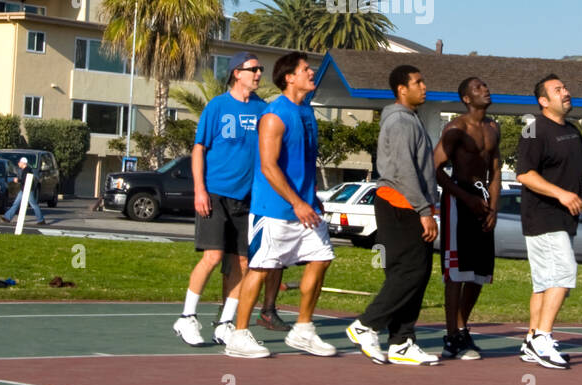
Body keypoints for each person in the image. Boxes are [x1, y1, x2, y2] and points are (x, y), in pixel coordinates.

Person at [224, 52, 336, 358]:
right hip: (273, 211)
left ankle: (303, 329)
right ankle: (239, 334)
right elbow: (269, 166)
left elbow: (303, 165)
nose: (312, 73)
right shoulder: (274, 115)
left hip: (303, 208)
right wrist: (298, 202)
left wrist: (310, 200)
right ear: (289, 77)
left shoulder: (307, 112)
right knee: (259, 270)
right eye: (305, 69)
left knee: (322, 258)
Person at [514, 74, 582, 370]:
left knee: (546, 283)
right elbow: (524, 174)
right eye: (557, 90)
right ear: (543, 101)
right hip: (543, 216)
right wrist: (561, 194)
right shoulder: (534, 130)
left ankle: (531, 338)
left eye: (565, 88)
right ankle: (543, 339)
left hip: (564, 218)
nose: (566, 92)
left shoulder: (571, 130)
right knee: (564, 273)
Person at [174, 52, 275, 346]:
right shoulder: (216, 107)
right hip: (215, 193)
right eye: (253, 69)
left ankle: (225, 323)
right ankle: (187, 318)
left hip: (248, 199)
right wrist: (200, 190)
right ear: (236, 73)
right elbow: (199, 149)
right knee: (213, 256)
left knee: (243, 263)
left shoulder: (262, 109)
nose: (258, 74)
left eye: (260, 69)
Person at [346, 65, 442, 365]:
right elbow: (402, 171)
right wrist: (424, 210)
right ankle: (366, 324)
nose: (424, 86)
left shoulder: (411, 120)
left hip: (408, 205)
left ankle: (402, 341)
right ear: (402, 89)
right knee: (409, 273)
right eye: (418, 82)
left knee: (417, 274)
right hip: (400, 205)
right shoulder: (400, 121)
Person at [433, 76, 500, 360]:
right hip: (458, 201)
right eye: (477, 88)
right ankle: (451, 337)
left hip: (483, 201)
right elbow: (436, 168)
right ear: (466, 98)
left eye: (486, 85)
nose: (485, 89)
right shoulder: (455, 128)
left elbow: (495, 169)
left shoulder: (493, 127)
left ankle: (461, 327)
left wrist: (493, 207)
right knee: (457, 274)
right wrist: (466, 198)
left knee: (479, 273)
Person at [2, 157, 45, 225]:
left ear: (23, 163)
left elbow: (25, 180)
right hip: (24, 189)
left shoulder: (26, 170)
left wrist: (18, 180)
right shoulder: (27, 170)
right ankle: (7, 217)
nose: (18, 163)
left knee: (33, 205)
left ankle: (41, 220)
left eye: (20, 162)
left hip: (28, 190)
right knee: (16, 203)